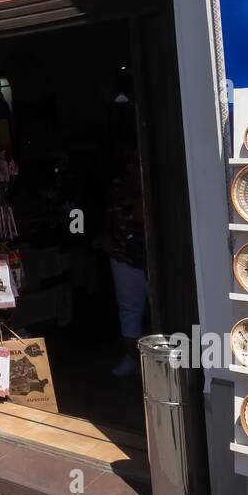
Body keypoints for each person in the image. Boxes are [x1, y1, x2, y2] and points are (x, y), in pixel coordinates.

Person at [107, 143, 149, 378]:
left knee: (160, 307)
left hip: (151, 257)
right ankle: (131, 358)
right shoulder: (118, 187)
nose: (133, 166)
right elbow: (113, 216)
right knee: (130, 309)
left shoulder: (151, 183)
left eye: (136, 161)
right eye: (130, 161)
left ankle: (162, 360)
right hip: (123, 256)